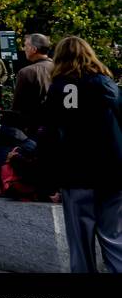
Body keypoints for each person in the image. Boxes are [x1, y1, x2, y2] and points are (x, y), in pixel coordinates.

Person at [38, 36, 122, 272]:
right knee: (115, 239)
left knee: (80, 244)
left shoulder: (59, 88)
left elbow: (50, 136)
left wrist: (48, 180)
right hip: (113, 173)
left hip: (75, 174)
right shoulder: (107, 85)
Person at [11, 33, 54, 132]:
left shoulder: (26, 73)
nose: (23, 49)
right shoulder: (60, 68)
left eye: (26, 46)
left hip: (33, 129)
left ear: (34, 49)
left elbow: (17, 108)